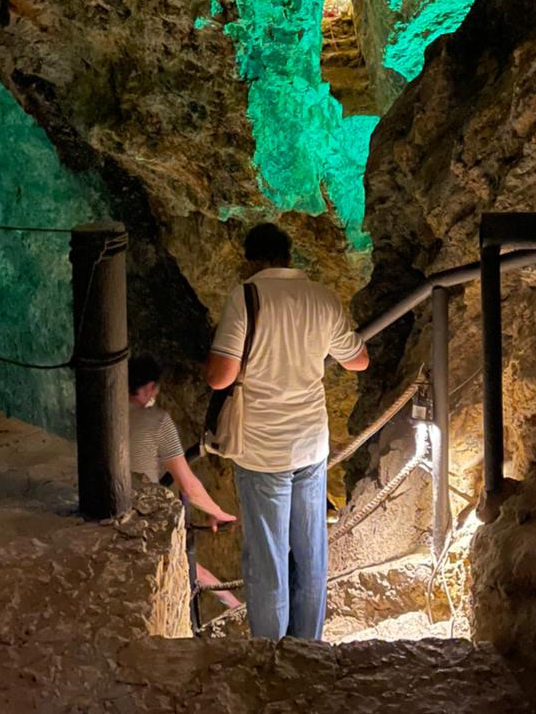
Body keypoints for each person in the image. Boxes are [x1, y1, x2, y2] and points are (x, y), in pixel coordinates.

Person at [205, 223, 369, 640]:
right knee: (311, 552)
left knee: (268, 559)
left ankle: (270, 656)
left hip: (263, 450)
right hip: (311, 444)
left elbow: (219, 377)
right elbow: (359, 361)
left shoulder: (247, 298)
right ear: (288, 256)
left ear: (250, 259)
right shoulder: (321, 297)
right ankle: (308, 647)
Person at [128, 354, 241, 609]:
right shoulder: (157, 420)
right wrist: (219, 513)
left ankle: (234, 605)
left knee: (195, 567)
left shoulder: (102, 417)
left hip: (106, 508)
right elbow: (188, 486)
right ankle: (238, 611)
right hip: (140, 519)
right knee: (188, 562)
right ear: (148, 388)